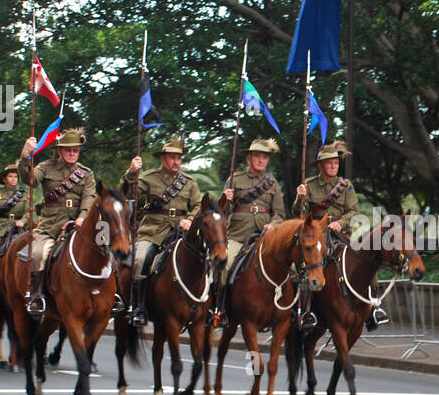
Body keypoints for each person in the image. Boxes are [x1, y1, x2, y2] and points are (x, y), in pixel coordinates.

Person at [293, 141, 375, 330]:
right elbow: (299, 213)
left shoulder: (345, 185)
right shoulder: (309, 185)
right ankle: (306, 310)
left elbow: (354, 211)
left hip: (342, 233)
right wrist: (300, 197)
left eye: (336, 163)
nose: (333, 166)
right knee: (305, 267)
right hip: (317, 233)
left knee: (368, 262)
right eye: (329, 163)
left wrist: (341, 223)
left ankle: (371, 309)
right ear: (320, 165)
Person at [121, 137, 202, 327]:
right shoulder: (149, 177)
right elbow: (128, 192)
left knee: (204, 258)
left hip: (181, 231)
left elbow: (198, 205)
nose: (176, 161)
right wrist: (132, 173)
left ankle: (203, 307)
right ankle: (139, 306)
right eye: (172, 157)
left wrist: (189, 220)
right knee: (141, 258)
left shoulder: (189, 182)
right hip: (154, 230)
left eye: (178, 158)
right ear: (163, 158)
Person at [18, 128, 96, 316]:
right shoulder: (46, 167)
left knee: (106, 245)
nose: (72, 153)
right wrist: (25, 155)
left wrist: (83, 216)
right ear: (60, 151)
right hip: (51, 225)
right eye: (68, 150)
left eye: (75, 150)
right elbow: (29, 180)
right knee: (38, 254)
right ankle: (37, 295)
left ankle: (107, 293)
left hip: (79, 224)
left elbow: (89, 197)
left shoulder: (86, 173)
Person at [213, 138, 285, 327]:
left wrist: (273, 225)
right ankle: (219, 308)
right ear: (248, 158)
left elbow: (279, 214)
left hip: (265, 236)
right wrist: (224, 199)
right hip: (238, 234)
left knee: (291, 268)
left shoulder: (273, 184)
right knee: (224, 265)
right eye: (257, 156)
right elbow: (222, 214)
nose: (261, 160)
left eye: (264, 157)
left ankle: (288, 311)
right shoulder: (234, 179)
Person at [0, 162, 30, 261]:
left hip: (17, 226)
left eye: (15, 176)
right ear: (4, 179)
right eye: (10, 176)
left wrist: (22, 221)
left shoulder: (24, 195)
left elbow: (28, 212)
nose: (13, 179)